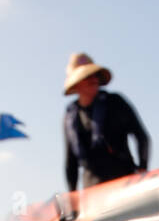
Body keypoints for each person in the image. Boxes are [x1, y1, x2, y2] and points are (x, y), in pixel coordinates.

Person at [63, 53, 150, 191]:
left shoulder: (115, 102)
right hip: (93, 192)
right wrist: (72, 195)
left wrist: (142, 168)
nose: (94, 79)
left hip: (125, 182)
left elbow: (142, 137)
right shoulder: (70, 116)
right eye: (87, 76)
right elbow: (71, 163)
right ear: (76, 84)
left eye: (95, 75)